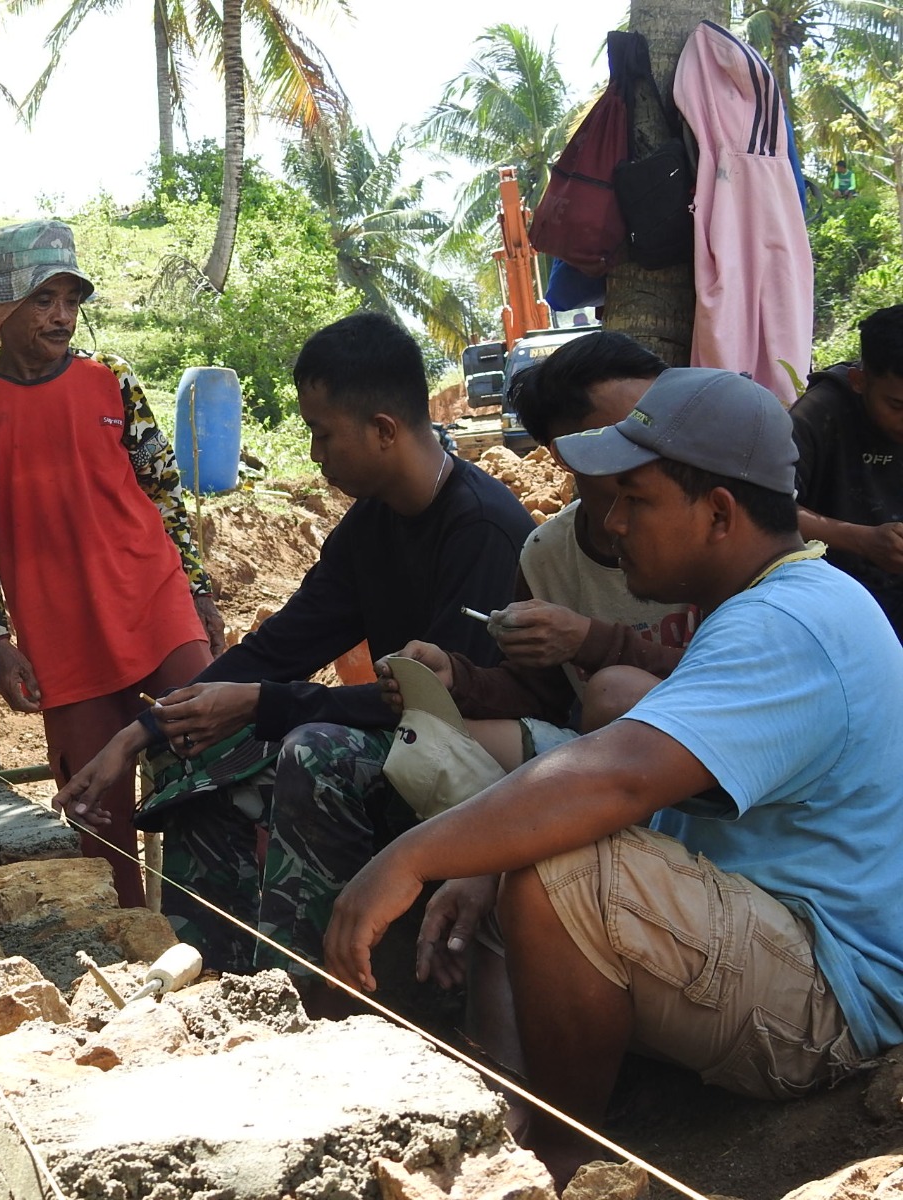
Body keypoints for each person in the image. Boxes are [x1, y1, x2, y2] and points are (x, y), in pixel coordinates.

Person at [324, 368, 903, 1185]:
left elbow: (615, 783)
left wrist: (414, 857)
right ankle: (519, 1106)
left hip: (835, 1002)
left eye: (635, 499)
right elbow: (649, 794)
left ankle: (565, 1161)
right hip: (799, 949)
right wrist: (483, 867)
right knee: (525, 851)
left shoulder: (788, 623)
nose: (614, 523)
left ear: (719, 514)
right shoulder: (773, 603)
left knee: (568, 868)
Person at [55, 310, 535, 975]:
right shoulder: (373, 524)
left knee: (315, 750)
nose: (314, 455)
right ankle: (213, 970)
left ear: (384, 431)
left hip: (479, 760)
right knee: (199, 741)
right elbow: (284, 644)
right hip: (407, 732)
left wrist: (263, 702)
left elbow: (437, 714)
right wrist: (144, 731)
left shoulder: (481, 529)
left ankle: (304, 985)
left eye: (322, 434)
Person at [0, 219, 223, 909]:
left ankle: (226, 935)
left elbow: (162, 490)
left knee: (217, 761)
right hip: (60, 636)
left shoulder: (111, 381)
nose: (62, 315)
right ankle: (130, 951)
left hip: (154, 602)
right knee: (98, 814)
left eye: (70, 299)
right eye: (43, 299)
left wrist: (200, 593)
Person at [383, 332, 697, 778]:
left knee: (617, 693)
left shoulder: (707, 529)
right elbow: (540, 693)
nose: (661, 447)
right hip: (606, 758)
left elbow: (737, 682)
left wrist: (589, 641)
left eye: (665, 424)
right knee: (428, 750)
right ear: (569, 454)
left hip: (714, 749)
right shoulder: (548, 554)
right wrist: (455, 678)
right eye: (631, 432)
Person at [791, 304, 903, 642]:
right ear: (859, 381)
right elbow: (766, 505)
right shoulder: (818, 414)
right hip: (826, 601)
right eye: (897, 407)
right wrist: (864, 541)